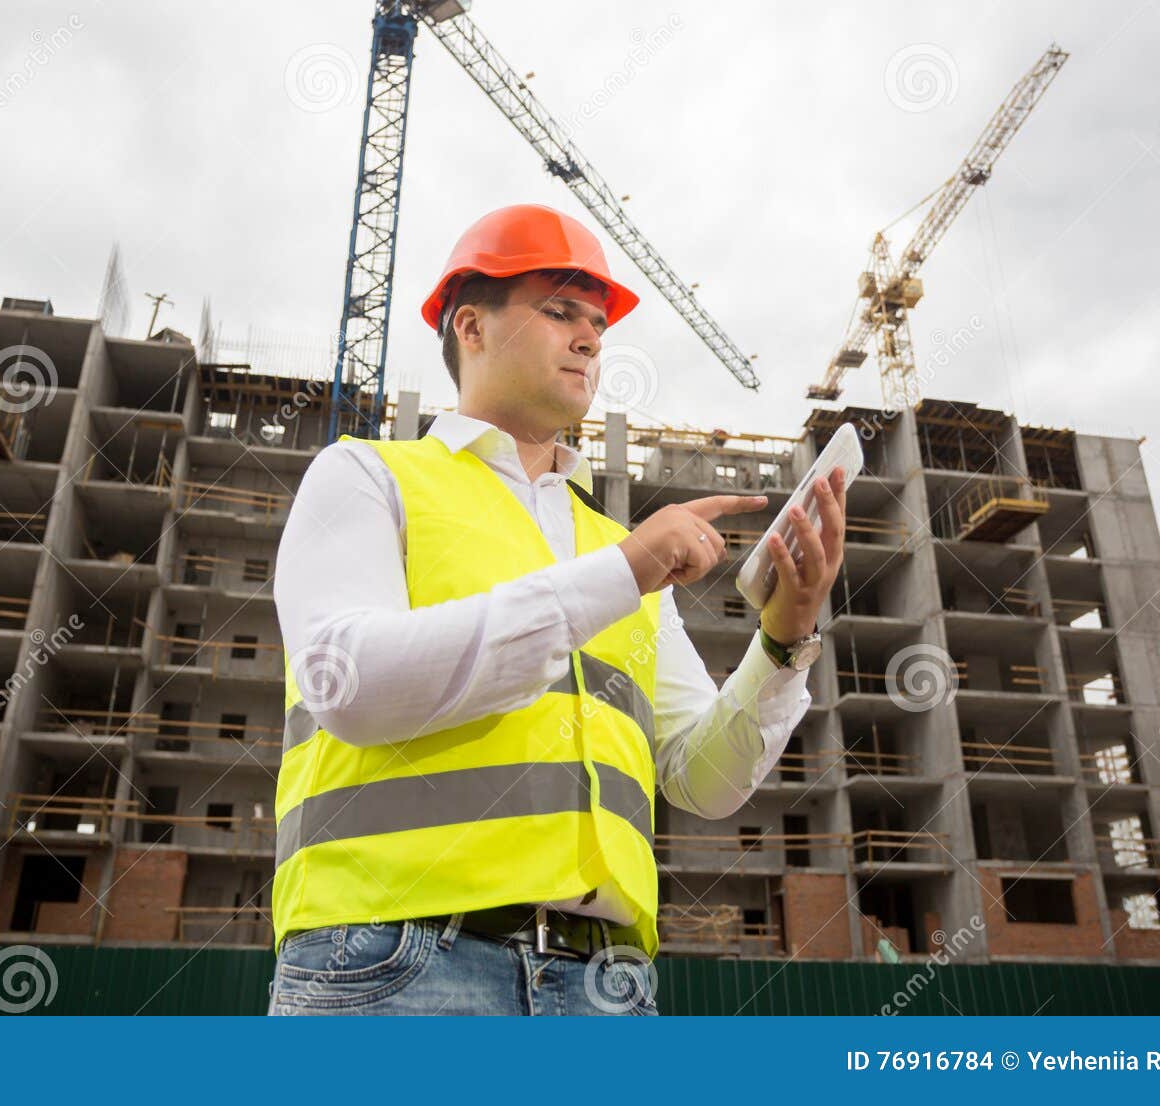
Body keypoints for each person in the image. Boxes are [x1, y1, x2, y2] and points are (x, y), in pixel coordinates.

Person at [267, 203, 846, 1015]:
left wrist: (784, 641)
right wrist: (620, 573)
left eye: (598, 326)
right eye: (559, 311)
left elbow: (700, 781)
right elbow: (347, 686)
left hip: (606, 984)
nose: (590, 340)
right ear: (470, 326)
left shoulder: (615, 546)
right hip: (391, 960)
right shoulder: (367, 477)